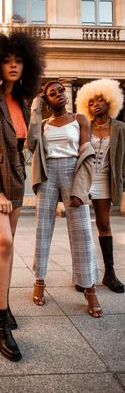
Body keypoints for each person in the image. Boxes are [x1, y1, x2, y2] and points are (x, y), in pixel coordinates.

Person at [0, 29, 43, 361]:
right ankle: (1, 322)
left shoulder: (23, 102)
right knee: (3, 243)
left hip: (15, 177)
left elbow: (22, 143)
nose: (13, 65)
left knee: (9, 247)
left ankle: (4, 302)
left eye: (18, 60)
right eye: (6, 60)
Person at [27, 81, 102, 318]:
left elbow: (87, 153)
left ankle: (89, 289)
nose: (59, 94)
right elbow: (31, 144)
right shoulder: (44, 124)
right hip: (47, 174)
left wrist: (81, 190)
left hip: (73, 172)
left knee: (82, 231)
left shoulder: (80, 120)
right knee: (42, 229)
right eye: (52, 93)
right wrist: (35, 110)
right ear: (46, 99)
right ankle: (39, 281)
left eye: (61, 91)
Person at [76, 78, 124, 293]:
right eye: (92, 102)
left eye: (100, 100)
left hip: (105, 180)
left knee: (104, 225)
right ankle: (83, 275)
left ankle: (109, 273)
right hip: (84, 180)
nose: (95, 104)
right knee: (81, 228)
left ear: (110, 103)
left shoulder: (120, 128)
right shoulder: (83, 126)